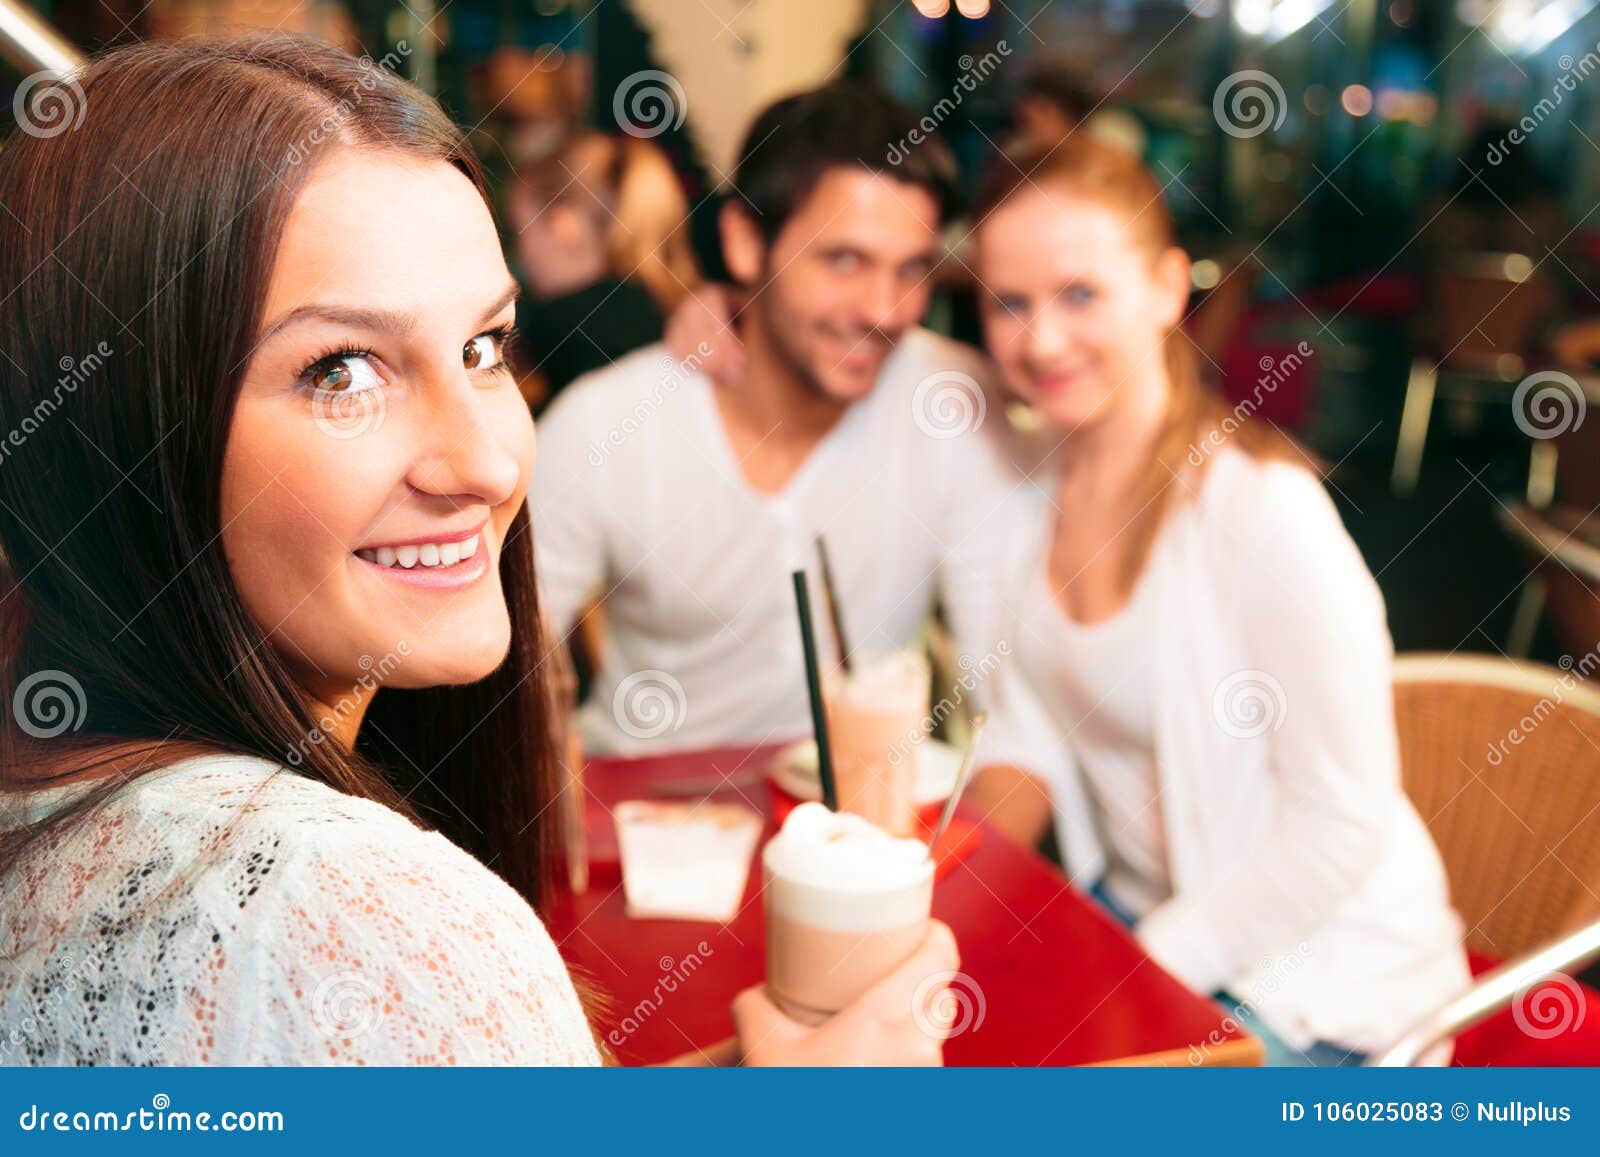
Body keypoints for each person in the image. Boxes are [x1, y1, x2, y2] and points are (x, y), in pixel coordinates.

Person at [0, 35, 956, 1067]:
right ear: (118, 429)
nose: (489, 463)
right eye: (342, 370)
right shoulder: (377, 930)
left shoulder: (59, 800)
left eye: (482, 348)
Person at [963, 136, 1469, 1065]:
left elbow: (1340, 823)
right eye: (1009, 302)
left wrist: (1135, 971)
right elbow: (1029, 732)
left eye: (1080, 294)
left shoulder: (1259, 510)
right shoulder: (1028, 489)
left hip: (1318, 983)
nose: (1040, 340)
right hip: (1140, 923)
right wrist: (948, 883)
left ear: (1164, 288)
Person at [531, 81, 1020, 755]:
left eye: (912, 269)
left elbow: (1007, 692)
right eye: (843, 260)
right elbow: (496, 685)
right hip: (653, 820)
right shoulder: (604, 424)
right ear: (743, 242)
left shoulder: (955, 406)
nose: (884, 309)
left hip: (863, 825)